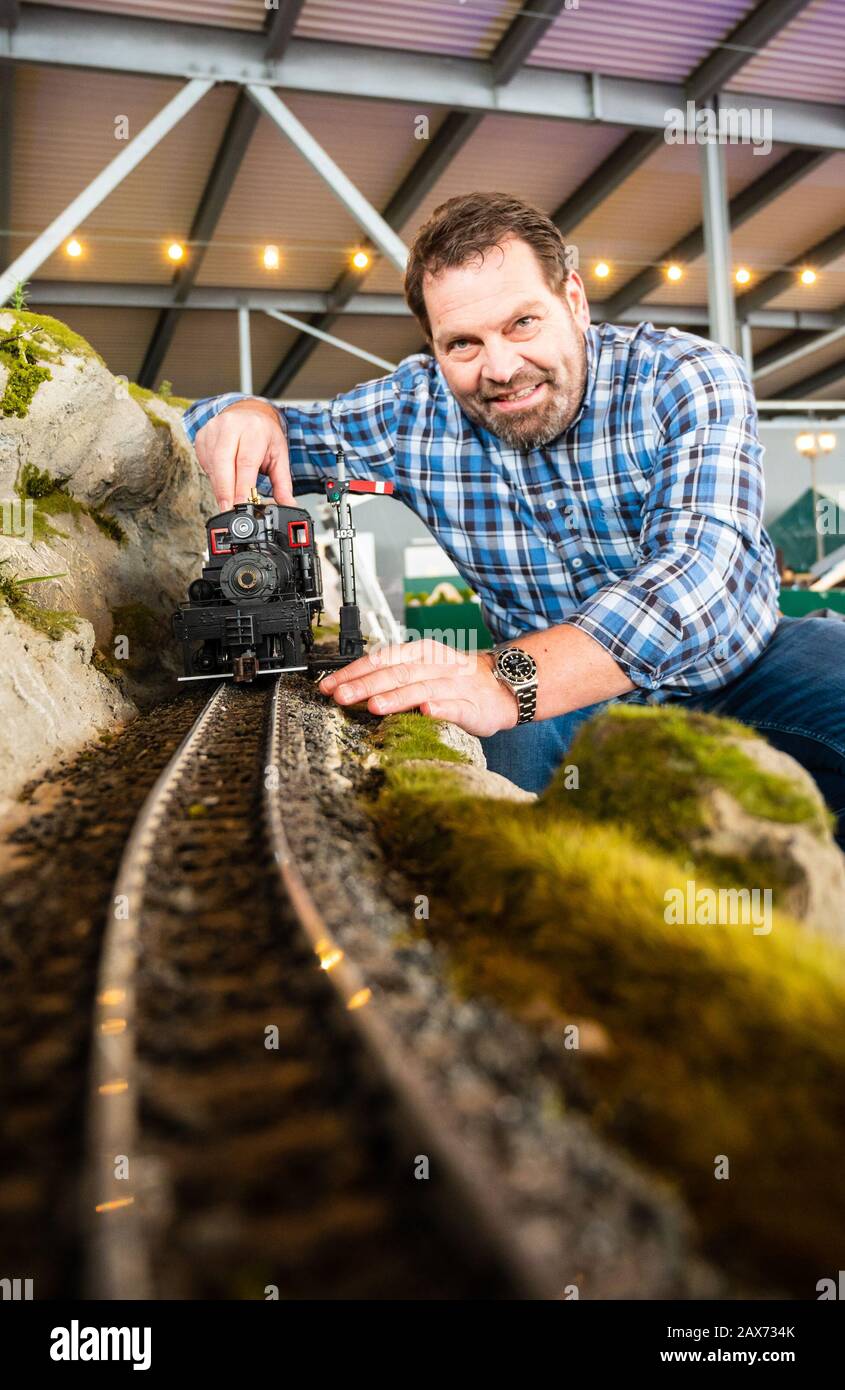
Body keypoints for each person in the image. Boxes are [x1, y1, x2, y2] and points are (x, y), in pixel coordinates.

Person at [184, 191, 845, 847]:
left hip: (733, 667)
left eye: (522, 323)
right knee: (493, 836)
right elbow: (248, 432)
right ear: (433, 347)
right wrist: (240, 411)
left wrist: (501, 677)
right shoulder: (411, 413)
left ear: (574, 301)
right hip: (557, 708)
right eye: (462, 344)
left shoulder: (684, 377)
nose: (499, 368)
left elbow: (698, 576)